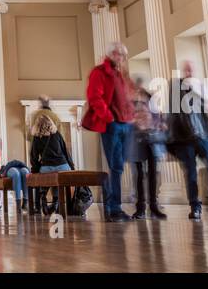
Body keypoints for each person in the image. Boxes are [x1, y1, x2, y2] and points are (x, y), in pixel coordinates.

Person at [83, 41, 135, 222]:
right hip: (112, 125)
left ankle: (116, 207)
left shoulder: (119, 74)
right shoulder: (99, 72)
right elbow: (94, 97)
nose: (122, 59)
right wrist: (108, 117)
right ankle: (114, 208)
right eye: (121, 55)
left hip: (124, 124)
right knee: (115, 166)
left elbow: (125, 98)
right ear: (113, 54)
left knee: (120, 166)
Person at [170, 61, 208, 221]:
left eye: (191, 68)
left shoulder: (200, 86)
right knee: (191, 173)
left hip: (203, 134)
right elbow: (175, 112)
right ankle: (194, 206)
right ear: (184, 70)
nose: (189, 70)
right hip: (186, 138)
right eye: (187, 68)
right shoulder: (177, 86)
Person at [128, 77, 166, 220]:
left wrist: (159, 123)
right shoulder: (129, 102)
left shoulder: (150, 98)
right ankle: (140, 208)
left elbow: (158, 117)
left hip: (152, 139)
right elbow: (126, 119)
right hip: (136, 140)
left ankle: (154, 207)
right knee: (138, 175)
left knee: (152, 174)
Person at [29, 111, 73, 215]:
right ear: (50, 122)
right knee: (57, 178)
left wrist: (35, 170)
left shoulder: (37, 137)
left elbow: (34, 156)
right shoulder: (57, 134)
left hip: (47, 167)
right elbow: (66, 152)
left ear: (37, 125)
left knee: (44, 179)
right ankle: (56, 203)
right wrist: (71, 166)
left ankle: (42, 199)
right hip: (63, 166)